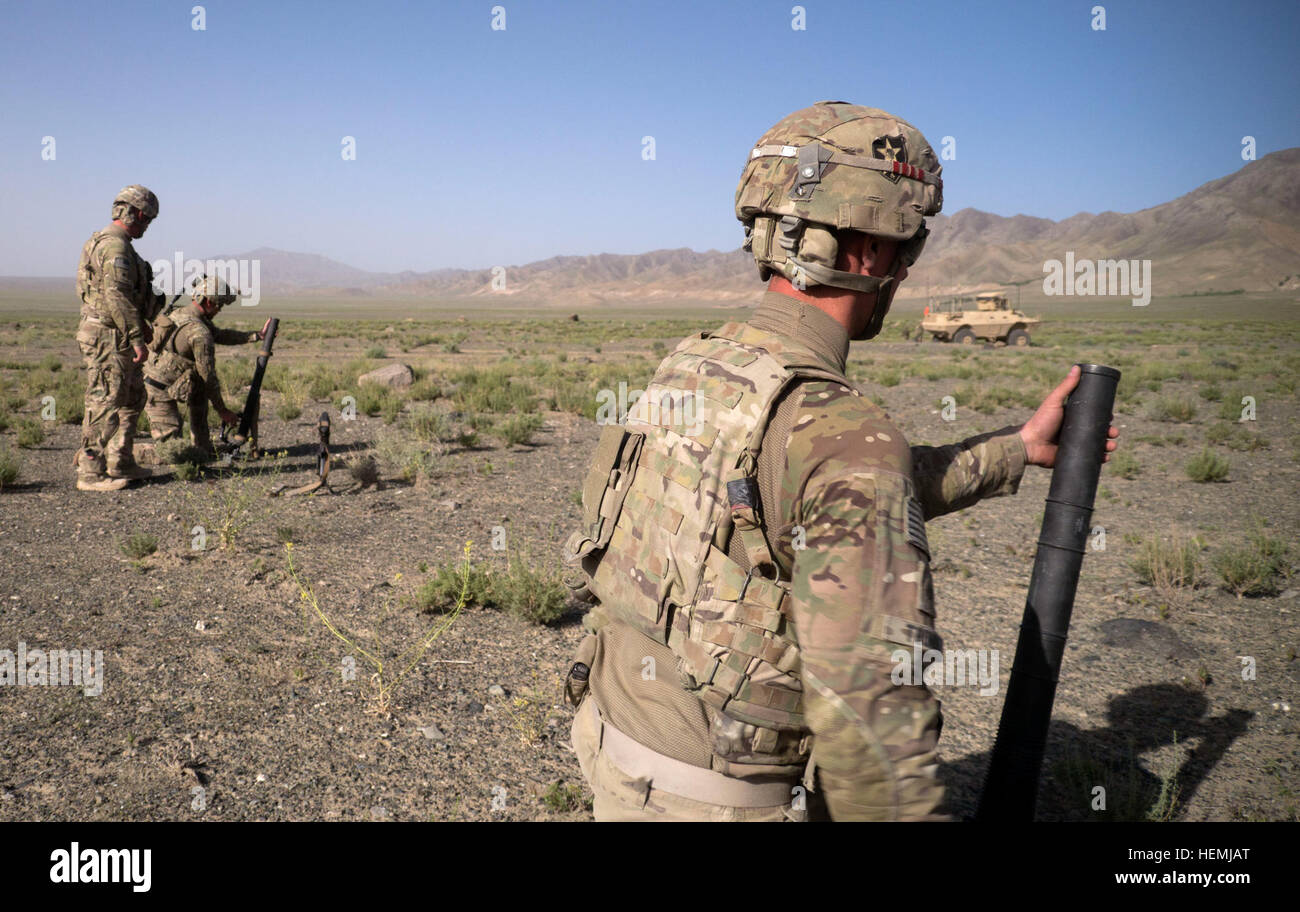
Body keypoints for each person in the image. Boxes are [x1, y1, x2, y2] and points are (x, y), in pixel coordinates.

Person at [562, 101, 1119, 821]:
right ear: (867, 251)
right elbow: (872, 743)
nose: (908, 267)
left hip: (611, 745)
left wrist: (1013, 450)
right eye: (908, 243)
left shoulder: (694, 363)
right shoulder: (841, 429)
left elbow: (807, 500)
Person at [74, 184, 160, 491]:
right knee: (105, 400)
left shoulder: (119, 245)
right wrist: (137, 336)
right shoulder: (114, 247)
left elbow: (129, 298)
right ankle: (90, 471)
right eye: (147, 220)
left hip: (118, 333)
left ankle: (120, 460)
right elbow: (117, 296)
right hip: (108, 335)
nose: (147, 226)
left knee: (133, 396)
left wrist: (142, 324)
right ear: (135, 213)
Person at [142, 275, 269, 460]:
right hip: (157, 391)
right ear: (208, 301)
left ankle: (202, 447)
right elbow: (209, 377)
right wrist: (223, 411)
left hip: (171, 382)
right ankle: (121, 453)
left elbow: (219, 334)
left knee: (199, 389)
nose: (220, 309)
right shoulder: (199, 333)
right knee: (170, 454)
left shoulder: (182, 314)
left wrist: (255, 336)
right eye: (219, 305)